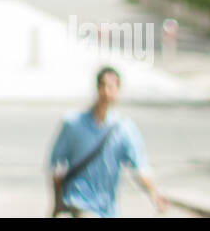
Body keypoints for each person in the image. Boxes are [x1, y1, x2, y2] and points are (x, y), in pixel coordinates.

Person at [49, 67, 167, 217]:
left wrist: (154, 195)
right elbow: (56, 165)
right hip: (79, 203)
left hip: (108, 209)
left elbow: (139, 167)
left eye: (111, 87)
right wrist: (57, 202)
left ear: (118, 91)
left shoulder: (124, 129)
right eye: (102, 86)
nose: (106, 92)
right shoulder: (73, 124)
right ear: (97, 88)